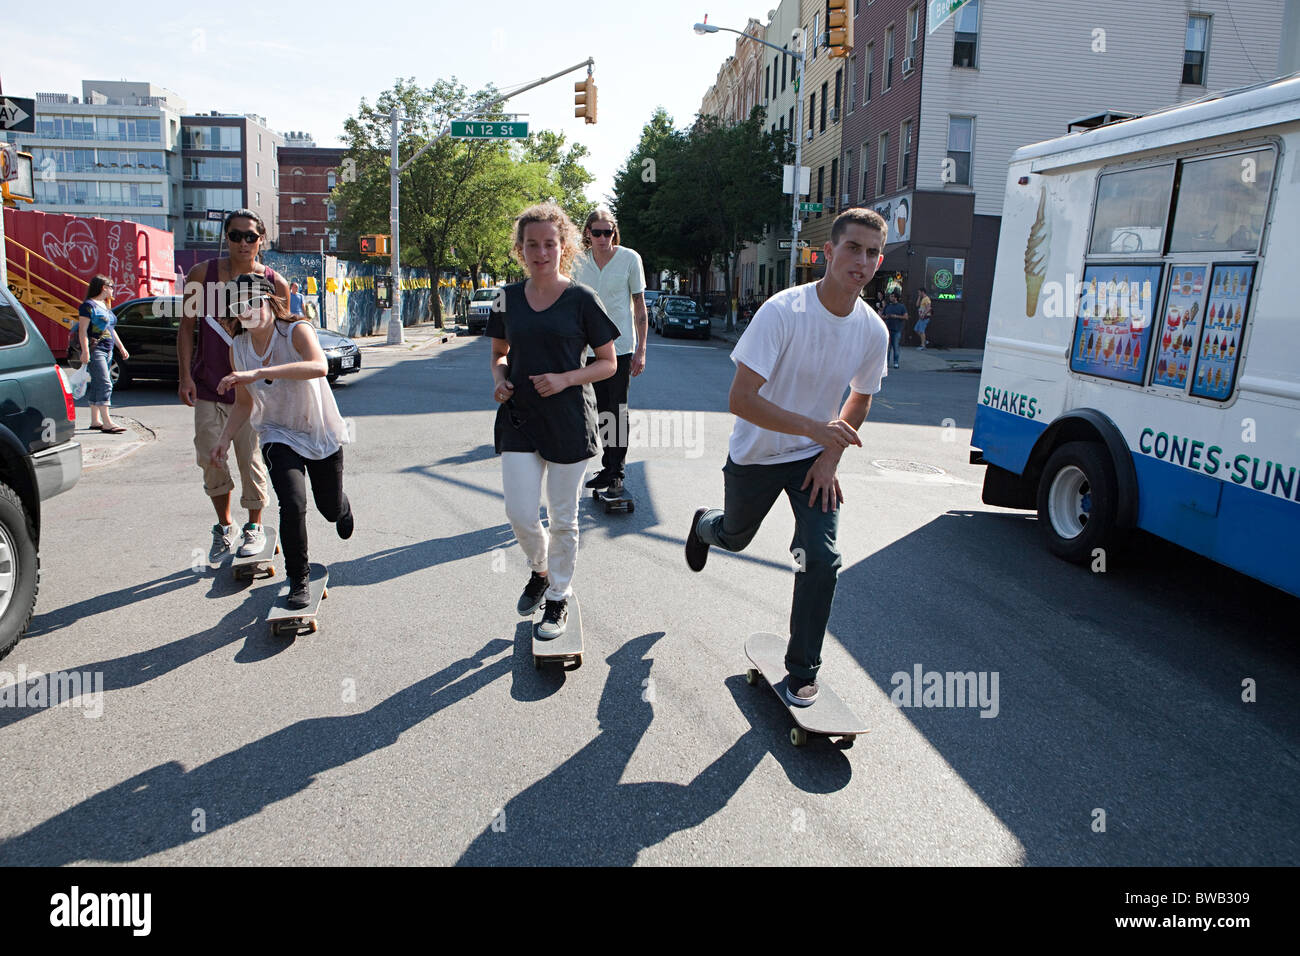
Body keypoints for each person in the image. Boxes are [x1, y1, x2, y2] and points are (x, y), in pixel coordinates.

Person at [684, 207, 890, 706]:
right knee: (735, 537)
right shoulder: (782, 311)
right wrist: (815, 428)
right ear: (829, 252)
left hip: (812, 460)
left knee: (822, 559)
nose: (860, 260)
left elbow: (860, 397)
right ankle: (705, 525)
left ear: (879, 261)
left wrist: (828, 454)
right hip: (756, 453)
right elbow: (741, 399)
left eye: (871, 252)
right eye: (852, 248)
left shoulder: (873, 330)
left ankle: (802, 671)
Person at [489, 202, 619, 638]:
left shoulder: (581, 298)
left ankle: (558, 598)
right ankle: (540, 570)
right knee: (520, 513)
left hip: (567, 420)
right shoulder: (506, 296)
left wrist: (566, 378)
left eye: (549, 243)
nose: (540, 252)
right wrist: (500, 378)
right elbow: (498, 354)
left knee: (564, 519)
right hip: (520, 417)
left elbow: (608, 363)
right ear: (520, 249)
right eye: (531, 244)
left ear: (563, 248)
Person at [211, 275, 353, 609]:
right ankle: (298, 578)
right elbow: (245, 404)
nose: (245, 311)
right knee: (292, 504)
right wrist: (223, 439)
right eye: (237, 306)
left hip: (318, 430)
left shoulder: (295, 331)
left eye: (251, 302)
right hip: (277, 433)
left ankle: (341, 505)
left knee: (328, 508)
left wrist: (259, 374)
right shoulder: (239, 348)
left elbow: (319, 366)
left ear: (268, 301)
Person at [178, 208, 288, 563]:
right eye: (236, 235)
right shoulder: (202, 275)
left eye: (251, 236)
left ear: (261, 240)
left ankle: (254, 527)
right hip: (209, 386)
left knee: (250, 459)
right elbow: (186, 329)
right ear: (226, 237)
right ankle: (224, 527)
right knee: (211, 457)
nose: (243, 242)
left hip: (253, 392)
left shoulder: (274, 283)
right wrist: (185, 376)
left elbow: (282, 339)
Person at [571, 206, 648, 495]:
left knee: (615, 412)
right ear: (587, 233)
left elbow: (639, 306)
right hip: (583, 349)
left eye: (609, 232)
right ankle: (605, 465)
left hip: (619, 349)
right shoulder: (578, 262)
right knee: (590, 410)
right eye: (597, 232)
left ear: (614, 232)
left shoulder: (630, 259)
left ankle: (616, 472)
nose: (604, 238)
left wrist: (641, 349)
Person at [76, 274, 129, 433]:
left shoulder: (105, 306)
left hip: (108, 349)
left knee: (98, 383)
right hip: (96, 349)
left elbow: (110, 329)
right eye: (111, 287)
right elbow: (83, 331)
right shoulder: (88, 306)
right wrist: (85, 352)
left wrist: (121, 347)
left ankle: (95, 421)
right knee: (106, 383)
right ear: (104, 288)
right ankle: (107, 422)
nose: (113, 290)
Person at [882, 291, 908, 369]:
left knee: (896, 346)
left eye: (892, 296)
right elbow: (882, 315)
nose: (891, 298)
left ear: (896, 298)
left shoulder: (901, 306)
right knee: (888, 347)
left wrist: (896, 316)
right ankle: (886, 363)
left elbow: (906, 317)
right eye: (890, 296)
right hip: (888, 328)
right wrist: (886, 317)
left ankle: (896, 362)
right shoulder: (887, 306)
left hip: (897, 329)